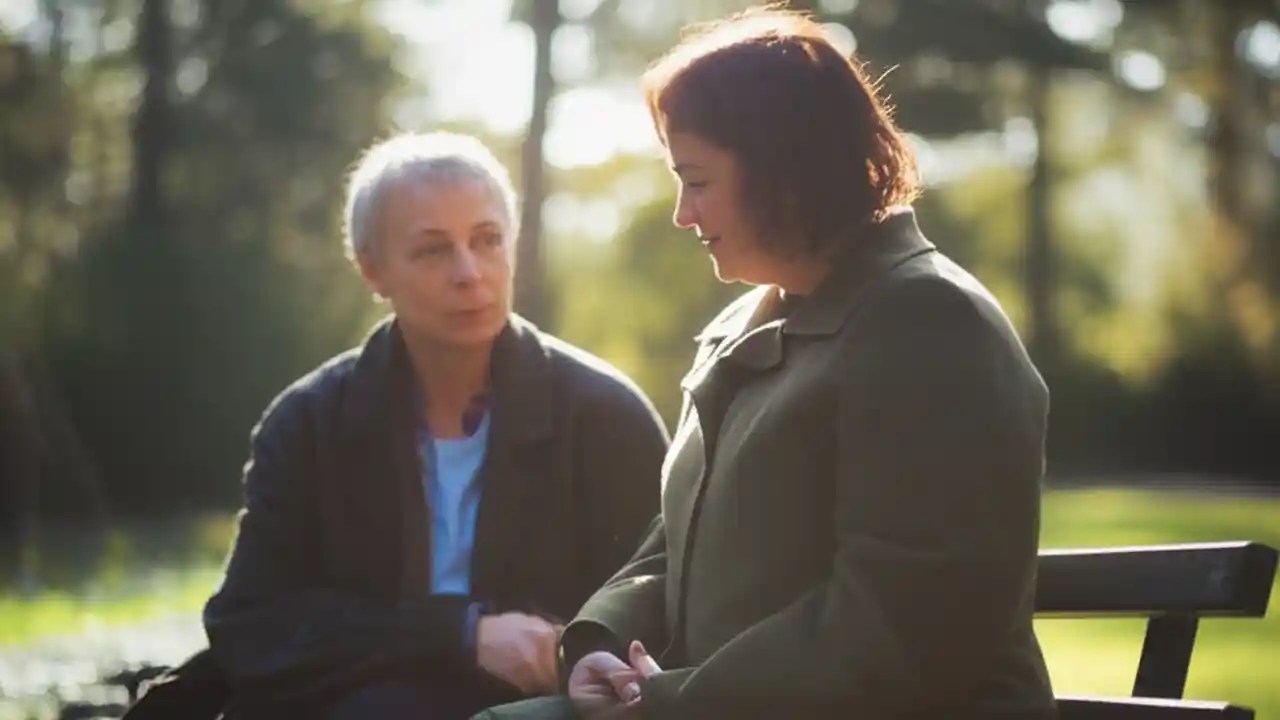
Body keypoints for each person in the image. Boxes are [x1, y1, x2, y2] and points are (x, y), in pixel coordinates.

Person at [477, 7, 1056, 720]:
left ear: (785, 172)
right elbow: (677, 547)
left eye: (697, 180)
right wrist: (603, 640)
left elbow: (902, 630)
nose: (682, 214)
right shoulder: (742, 326)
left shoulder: (931, 323)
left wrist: (673, 699)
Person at [197, 131, 669, 719]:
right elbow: (249, 624)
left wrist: (577, 652)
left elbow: (660, 606)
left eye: (487, 240)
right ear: (373, 270)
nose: (469, 272)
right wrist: (461, 634)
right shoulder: (308, 423)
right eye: (432, 250)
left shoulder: (605, 416)